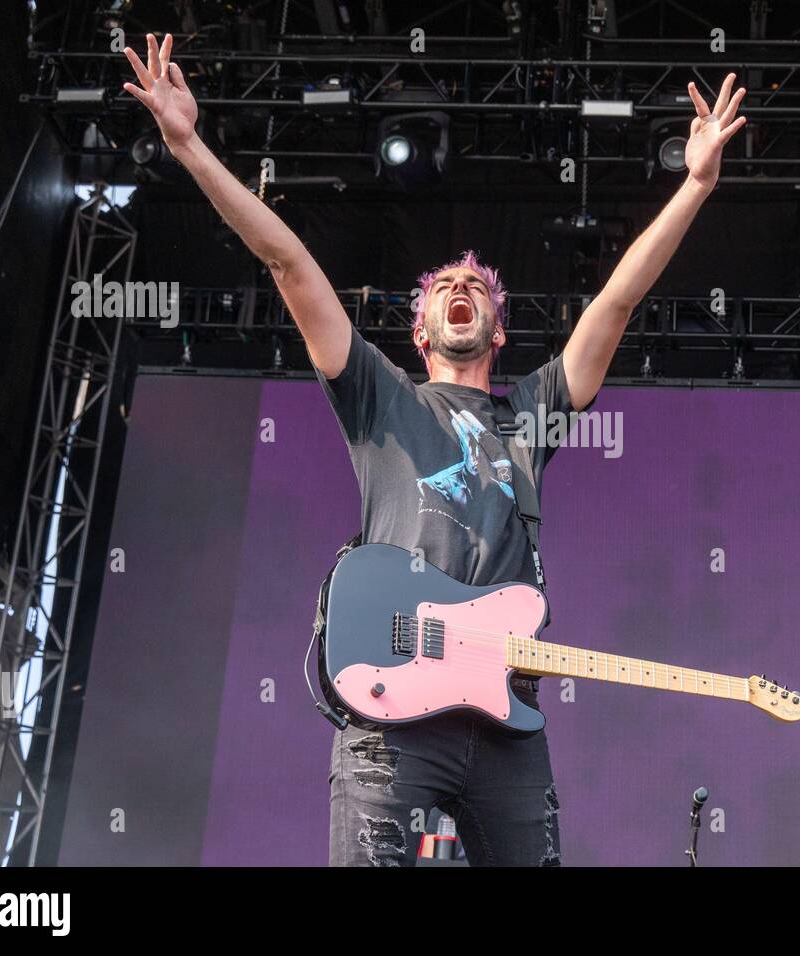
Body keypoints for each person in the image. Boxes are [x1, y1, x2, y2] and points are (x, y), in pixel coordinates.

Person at [122, 32, 746, 866]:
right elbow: (287, 261)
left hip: (506, 725)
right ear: (419, 329)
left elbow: (619, 300)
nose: (460, 289)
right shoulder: (381, 394)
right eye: (443, 287)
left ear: (498, 325)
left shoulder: (530, 415)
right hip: (391, 710)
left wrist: (695, 185)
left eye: (476, 287)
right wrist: (191, 147)